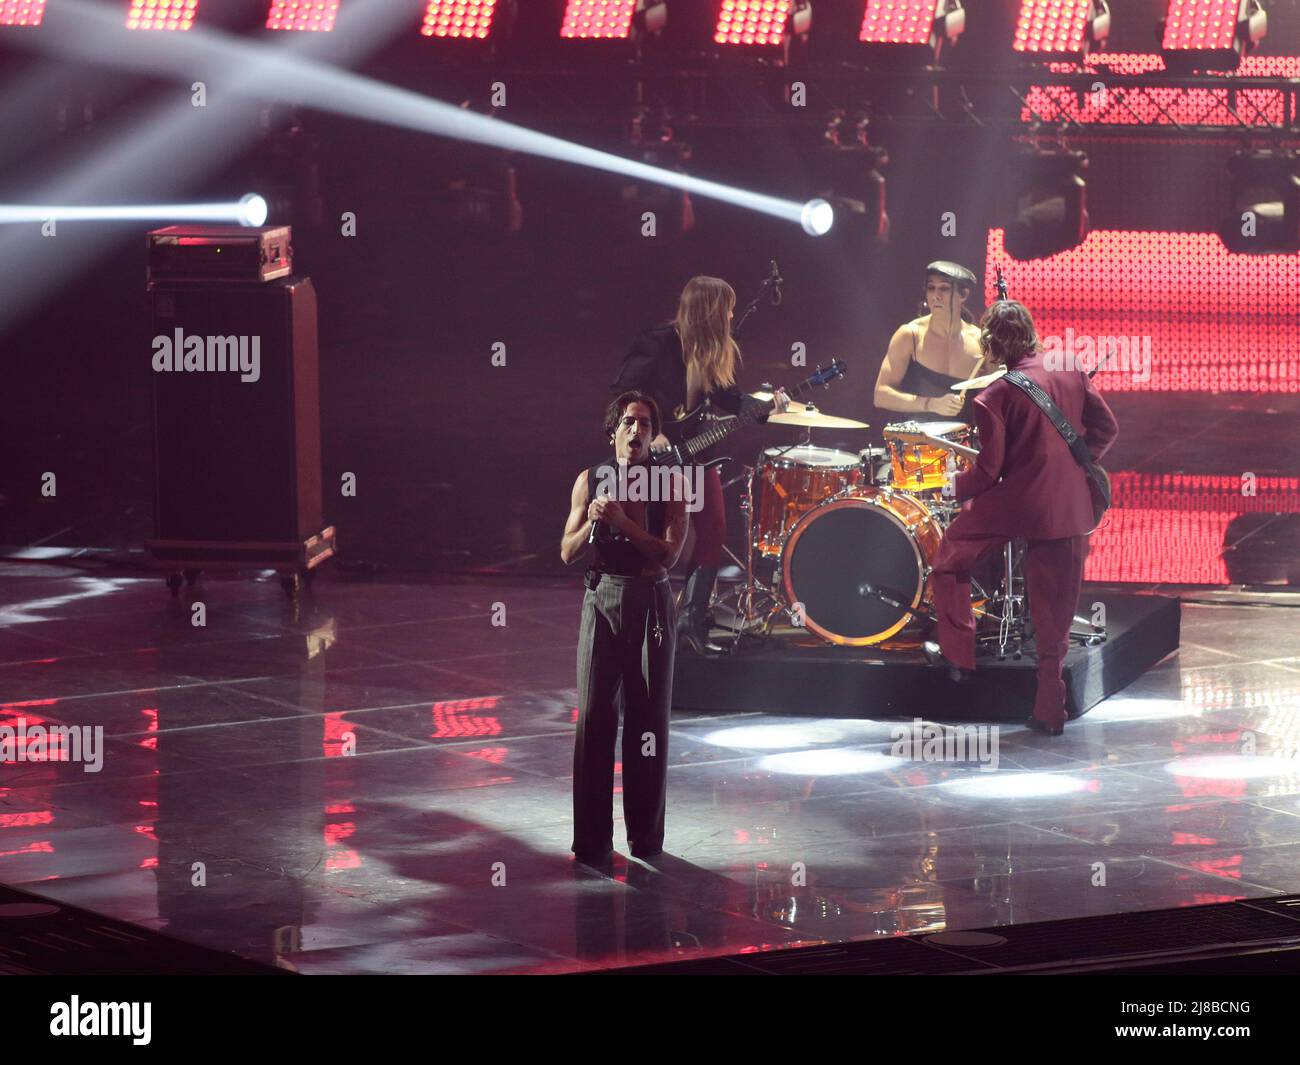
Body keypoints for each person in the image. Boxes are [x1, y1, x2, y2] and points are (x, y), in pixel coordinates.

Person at [925, 300, 1119, 735]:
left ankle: (958, 657)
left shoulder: (991, 397)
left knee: (951, 557)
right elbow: (1107, 428)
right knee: (1054, 613)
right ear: (1031, 330)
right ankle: (1049, 711)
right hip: (1066, 507)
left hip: (1014, 502)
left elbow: (987, 473)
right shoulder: (1069, 366)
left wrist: (950, 486)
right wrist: (1074, 466)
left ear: (991, 343)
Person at [610, 276, 787, 656]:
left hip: (694, 452)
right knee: (651, 536)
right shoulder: (657, 342)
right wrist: (650, 430)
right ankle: (636, 623)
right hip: (652, 455)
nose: (731, 317)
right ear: (711, 312)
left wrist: (766, 406)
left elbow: (731, 398)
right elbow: (624, 393)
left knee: (713, 528)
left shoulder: (711, 352)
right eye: (728, 310)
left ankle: (691, 618)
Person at [561, 391, 690, 862]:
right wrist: (594, 522)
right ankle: (591, 842)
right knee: (594, 718)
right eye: (629, 422)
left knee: (647, 721)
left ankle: (646, 839)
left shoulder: (672, 484)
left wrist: (625, 523)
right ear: (613, 430)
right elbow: (566, 551)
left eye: (646, 424)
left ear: (654, 435)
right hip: (602, 597)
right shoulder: (589, 479)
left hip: (649, 599)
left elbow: (669, 555)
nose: (637, 430)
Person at [874, 261, 986, 422]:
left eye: (944, 288)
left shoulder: (981, 341)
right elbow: (881, 395)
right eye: (931, 288)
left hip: (965, 436)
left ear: (963, 295)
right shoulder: (910, 335)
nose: (936, 295)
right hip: (918, 436)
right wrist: (931, 404)